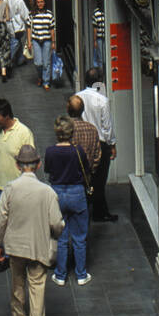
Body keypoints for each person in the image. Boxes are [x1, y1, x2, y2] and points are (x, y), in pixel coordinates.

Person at [0, 144, 64, 316]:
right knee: (37, 289)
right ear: (38, 164)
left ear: (17, 165)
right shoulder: (47, 192)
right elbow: (57, 223)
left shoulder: (10, 189)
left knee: (17, 284)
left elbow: (1, 218)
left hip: (15, 246)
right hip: (39, 247)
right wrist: (56, 234)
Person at [0, 99, 35, 271]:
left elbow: (30, 162)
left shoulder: (24, 132)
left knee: (18, 223)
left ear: (7, 115)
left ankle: (19, 257)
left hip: (18, 188)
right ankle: (5, 257)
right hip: (0, 187)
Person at [44, 116, 92, 287]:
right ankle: (81, 274)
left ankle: (60, 274)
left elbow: (48, 170)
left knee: (61, 237)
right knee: (79, 236)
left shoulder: (50, 151)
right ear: (72, 132)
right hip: (77, 193)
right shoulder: (78, 151)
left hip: (57, 194)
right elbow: (86, 170)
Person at [76, 67, 117, 222]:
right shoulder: (102, 100)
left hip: (82, 142)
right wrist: (112, 144)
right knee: (100, 178)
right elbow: (107, 127)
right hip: (100, 144)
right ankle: (99, 211)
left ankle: (89, 206)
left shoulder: (77, 97)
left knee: (86, 176)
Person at [66, 94, 100, 179]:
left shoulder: (66, 129)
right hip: (87, 174)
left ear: (68, 110)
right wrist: (91, 170)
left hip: (70, 175)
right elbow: (97, 154)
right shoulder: (92, 129)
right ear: (83, 110)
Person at [29, 0, 56, 91]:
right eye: (38, 2)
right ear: (36, 4)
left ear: (44, 3)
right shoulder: (32, 14)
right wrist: (29, 41)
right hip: (36, 40)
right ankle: (40, 76)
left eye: (42, 2)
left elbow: (52, 29)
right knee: (38, 63)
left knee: (47, 62)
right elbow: (29, 28)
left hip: (47, 40)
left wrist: (53, 42)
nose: (40, 4)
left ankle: (46, 82)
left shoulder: (49, 14)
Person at [6, 0, 31, 67]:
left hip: (8, 24)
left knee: (17, 41)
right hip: (17, 25)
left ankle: (20, 59)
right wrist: (29, 21)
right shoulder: (19, 0)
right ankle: (7, 61)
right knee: (15, 42)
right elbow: (25, 14)